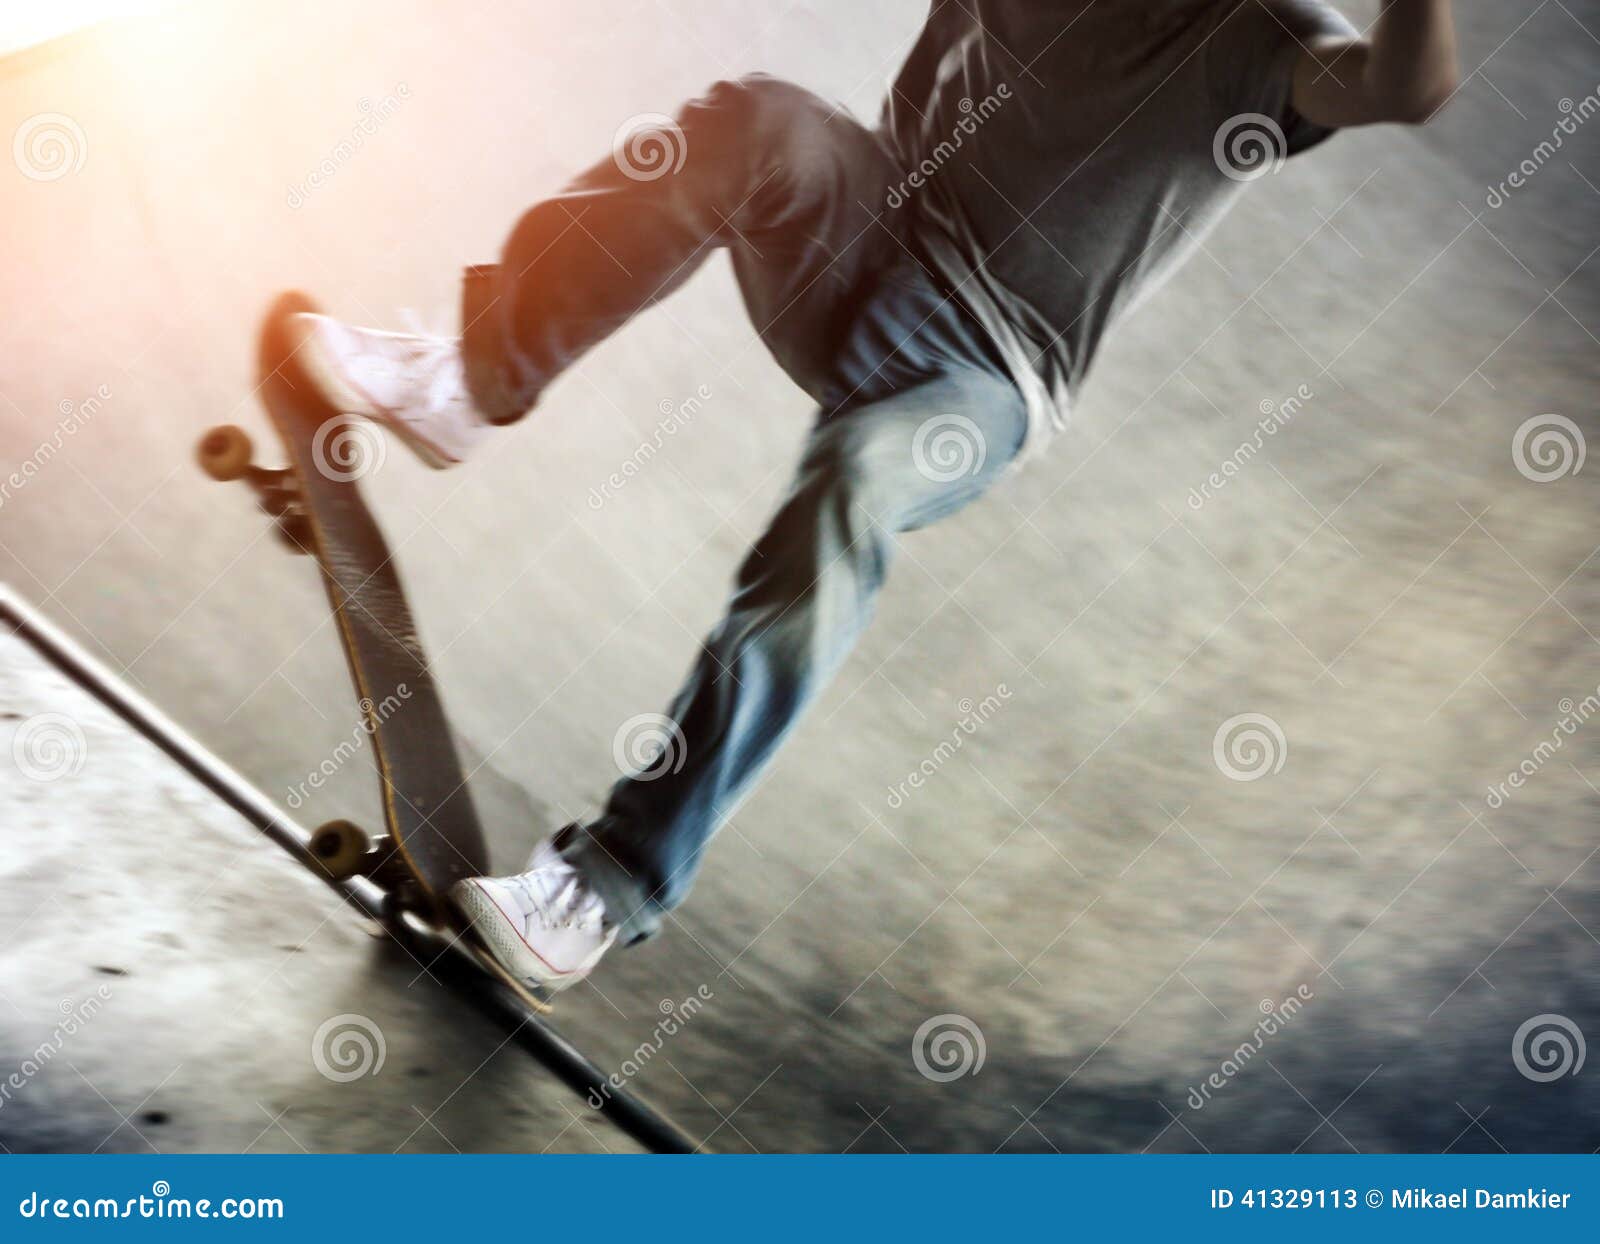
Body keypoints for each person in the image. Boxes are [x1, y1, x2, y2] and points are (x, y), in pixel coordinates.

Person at [295, 1, 1459, 990]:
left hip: (981, 371)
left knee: (851, 493)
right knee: (755, 117)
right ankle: (473, 376)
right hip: (856, 234)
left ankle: (604, 886)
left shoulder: (1262, 37)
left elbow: (1404, 85)